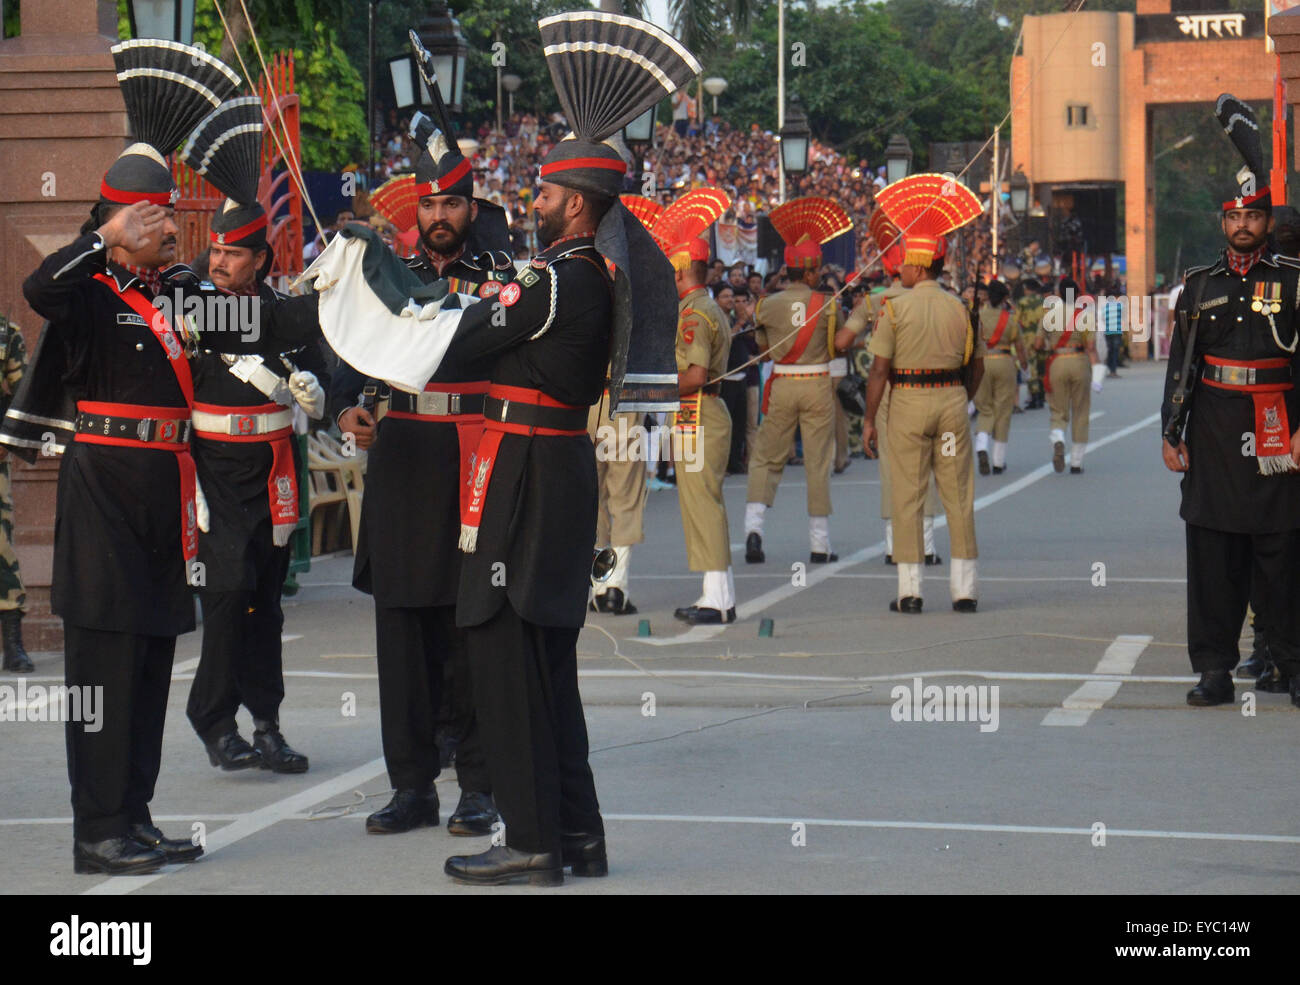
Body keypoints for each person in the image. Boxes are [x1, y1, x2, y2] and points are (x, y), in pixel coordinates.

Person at [3, 40, 319, 875]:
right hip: (105, 492)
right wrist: (103, 238)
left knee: (147, 665)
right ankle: (96, 829)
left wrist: (339, 288)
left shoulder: (180, 293)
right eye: (154, 218)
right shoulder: (89, 295)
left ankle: (134, 817)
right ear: (119, 223)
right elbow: (40, 290)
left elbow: (265, 324)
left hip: (166, 496)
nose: (170, 228)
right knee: (103, 673)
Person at [332, 112, 506, 837]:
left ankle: (478, 786)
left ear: (472, 206)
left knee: (471, 630)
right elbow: (343, 352)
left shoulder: (501, 277)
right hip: (401, 457)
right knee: (401, 630)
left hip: (470, 460)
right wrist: (347, 407)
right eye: (428, 204)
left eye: (451, 204)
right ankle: (410, 786)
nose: (439, 216)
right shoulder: (385, 272)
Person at [180, 99, 324, 775]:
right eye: (213, 250)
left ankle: (265, 721)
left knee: (265, 601)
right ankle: (212, 715)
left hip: (275, 467)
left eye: (233, 254)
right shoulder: (199, 308)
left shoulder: (281, 308)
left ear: (261, 257)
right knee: (228, 591)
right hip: (214, 471)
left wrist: (317, 397)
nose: (218, 262)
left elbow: (321, 361)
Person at [1162, 95, 1300, 708]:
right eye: (1233, 217)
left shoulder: (1293, 281)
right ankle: (1214, 671)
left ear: (1268, 223)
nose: (1243, 226)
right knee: (1213, 552)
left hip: (1277, 425)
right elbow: (1180, 364)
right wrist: (1173, 431)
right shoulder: (1198, 286)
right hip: (1215, 429)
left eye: (1253, 217)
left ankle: (1291, 666)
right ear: (1222, 222)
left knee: (1282, 553)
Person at [862, 173, 983, 614]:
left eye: (903, 266)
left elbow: (878, 370)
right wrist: (961, 397)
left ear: (915, 266)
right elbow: (978, 365)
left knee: (908, 495)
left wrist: (871, 418)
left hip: (909, 404)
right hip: (951, 401)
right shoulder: (960, 308)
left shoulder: (895, 308)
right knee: (957, 495)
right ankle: (965, 589)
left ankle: (910, 591)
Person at [743, 197, 850, 565]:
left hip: (783, 384)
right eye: (816, 269)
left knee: (766, 458)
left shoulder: (765, 305)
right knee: (817, 462)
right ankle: (819, 544)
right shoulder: (828, 303)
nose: (819, 274)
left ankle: (753, 530)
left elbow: (763, 349)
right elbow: (836, 347)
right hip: (817, 383)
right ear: (808, 273)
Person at [655, 189, 736, 624]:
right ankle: (719, 593)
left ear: (684, 266)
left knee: (702, 505)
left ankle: (716, 599)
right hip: (706, 413)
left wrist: (654, 388)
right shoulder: (707, 308)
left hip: (698, 413)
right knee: (708, 504)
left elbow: (695, 375)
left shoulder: (692, 315)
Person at [1037, 277, 1101, 473]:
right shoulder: (1085, 315)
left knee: (1058, 409)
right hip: (1079, 361)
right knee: (1080, 411)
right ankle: (1076, 462)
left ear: (1058, 295)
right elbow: (1091, 347)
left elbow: (1038, 344)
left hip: (1057, 362)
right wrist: (1098, 371)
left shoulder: (1049, 315)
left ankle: (1057, 439)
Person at [973, 279, 1029, 475]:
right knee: (1003, 410)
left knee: (984, 408)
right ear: (1005, 298)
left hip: (981, 363)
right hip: (1004, 361)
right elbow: (1020, 348)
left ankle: (981, 446)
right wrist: (1024, 366)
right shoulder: (1010, 319)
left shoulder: (977, 316)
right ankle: (998, 460)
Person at [0, 314, 30, 672]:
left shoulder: (6, 332)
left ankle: (13, 645)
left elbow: (23, 394)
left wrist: (6, 438)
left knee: (1, 546)